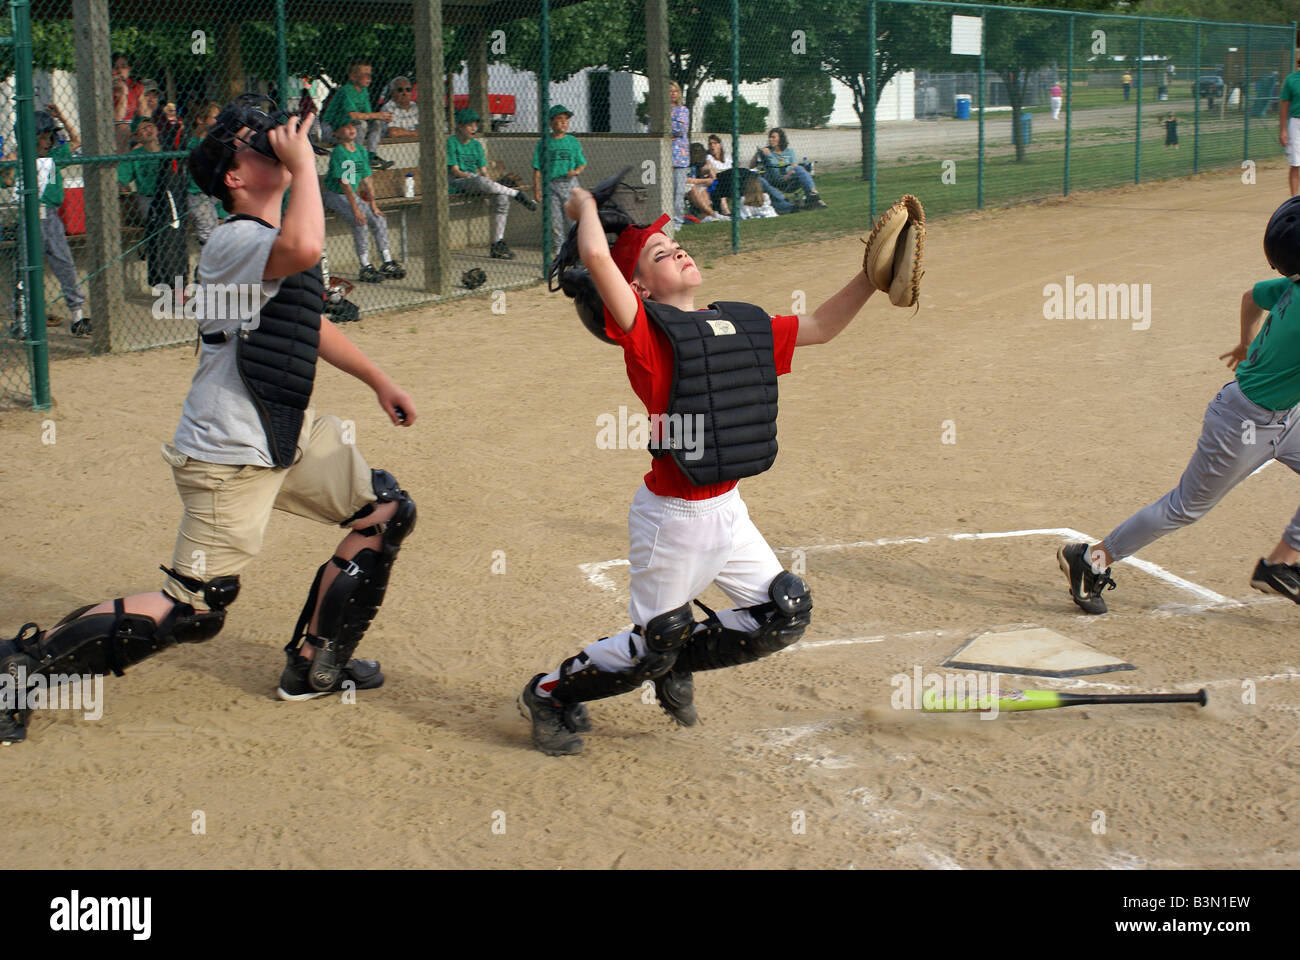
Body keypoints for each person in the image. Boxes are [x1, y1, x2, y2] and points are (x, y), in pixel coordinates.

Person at [0, 97, 419, 745]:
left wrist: (378, 378)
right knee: (192, 607)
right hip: (230, 449)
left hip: (282, 429)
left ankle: (314, 667)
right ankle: (18, 669)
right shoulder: (231, 240)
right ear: (234, 177)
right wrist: (305, 167)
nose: (276, 148)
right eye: (258, 145)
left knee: (384, 510)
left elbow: (307, 318)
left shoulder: (270, 239)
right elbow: (306, 244)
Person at [517, 184, 888, 756]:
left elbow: (820, 325)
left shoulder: (739, 324)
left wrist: (871, 278)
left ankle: (673, 666)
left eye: (675, 246)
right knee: (655, 639)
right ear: (638, 286)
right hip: (673, 519)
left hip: (728, 512)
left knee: (780, 613)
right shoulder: (645, 335)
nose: (678, 253)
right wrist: (585, 207)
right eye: (659, 255)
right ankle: (550, 693)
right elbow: (595, 258)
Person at [1058, 196, 1300, 616]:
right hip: (1242, 422)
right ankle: (1091, 560)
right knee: (1183, 508)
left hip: (1287, 416)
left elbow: (1250, 297)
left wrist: (1245, 344)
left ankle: (1279, 564)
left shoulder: (1292, 284)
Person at [3, 107, 88, 336]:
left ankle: (78, 316)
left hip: (51, 217)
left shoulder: (52, 159)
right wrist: (13, 157)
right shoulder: (18, 159)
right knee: (26, 269)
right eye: (44, 136)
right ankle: (22, 320)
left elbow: (76, 141)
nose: (49, 141)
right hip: (28, 218)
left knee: (65, 264)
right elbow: (8, 180)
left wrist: (61, 116)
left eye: (50, 136)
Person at [320, 118, 405, 283]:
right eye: (344, 126)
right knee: (361, 221)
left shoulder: (360, 150)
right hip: (335, 194)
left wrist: (374, 206)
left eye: (352, 126)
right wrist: (356, 210)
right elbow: (344, 184)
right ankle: (365, 266)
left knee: (378, 218)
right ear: (336, 133)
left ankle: (387, 261)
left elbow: (367, 179)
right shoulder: (339, 152)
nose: (350, 129)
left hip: (353, 195)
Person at [447, 107, 537, 261]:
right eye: (469, 125)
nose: (474, 129)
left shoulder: (476, 145)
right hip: (458, 182)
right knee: (481, 180)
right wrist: (474, 177)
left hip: (477, 182)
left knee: (501, 197)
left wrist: (489, 184)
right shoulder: (452, 142)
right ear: (460, 126)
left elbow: (484, 172)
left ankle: (497, 243)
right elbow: (455, 171)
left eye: (475, 125)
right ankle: (516, 193)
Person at [532, 104, 587, 255]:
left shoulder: (572, 141)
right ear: (551, 122)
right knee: (555, 221)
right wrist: (536, 189)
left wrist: (575, 171)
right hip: (552, 185)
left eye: (566, 119)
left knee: (573, 220)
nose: (563, 122)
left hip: (570, 184)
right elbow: (537, 167)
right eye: (559, 119)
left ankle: (577, 251)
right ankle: (560, 252)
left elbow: (582, 163)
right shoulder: (544, 143)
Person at [320, 60, 394, 169]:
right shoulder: (346, 90)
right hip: (332, 129)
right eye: (365, 74)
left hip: (349, 128)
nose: (369, 77)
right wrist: (377, 115)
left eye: (370, 74)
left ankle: (371, 156)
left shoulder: (364, 91)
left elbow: (368, 114)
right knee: (360, 124)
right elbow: (353, 115)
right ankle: (356, 157)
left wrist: (381, 117)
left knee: (375, 123)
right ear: (353, 77)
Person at [753, 128, 827, 209]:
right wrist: (758, 154)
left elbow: (794, 166)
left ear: (780, 139)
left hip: (790, 180)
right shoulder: (766, 151)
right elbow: (751, 166)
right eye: (770, 137)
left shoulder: (789, 151)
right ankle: (814, 199)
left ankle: (813, 197)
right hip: (775, 181)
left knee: (799, 168)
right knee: (799, 169)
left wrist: (788, 175)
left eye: (773, 137)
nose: (770, 139)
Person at [185, 101, 226, 245]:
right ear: (201, 120)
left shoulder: (216, 141)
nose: (218, 120)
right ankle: (208, 261)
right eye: (214, 117)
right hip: (198, 193)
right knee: (209, 232)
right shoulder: (194, 143)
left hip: (212, 192)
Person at [117, 116, 163, 224]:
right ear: (137, 137)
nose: (148, 130)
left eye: (150, 126)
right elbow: (121, 176)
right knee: (154, 225)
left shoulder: (168, 149)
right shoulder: (135, 156)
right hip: (148, 197)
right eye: (143, 129)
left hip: (168, 194)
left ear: (156, 129)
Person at [370, 76, 419, 149]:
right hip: (395, 147)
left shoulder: (415, 107)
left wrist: (406, 133)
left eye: (408, 89)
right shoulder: (389, 108)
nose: (404, 93)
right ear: (392, 92)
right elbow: (393, 133)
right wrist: (416, 133)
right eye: (400, 90)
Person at [683, 142, 727, 222]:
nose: (698, 156)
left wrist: (710, 169)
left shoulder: (698, 163)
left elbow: (712, 176)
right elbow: (685, 179)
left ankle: (706, 216)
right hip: (685, 186)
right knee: (694, 188)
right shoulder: (685, 163)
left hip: (697, 185)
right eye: (695, 153)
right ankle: (713, 214)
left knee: (703, 189)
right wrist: (704, 180)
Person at [111, 52, 144, 153]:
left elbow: (143, 114)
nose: (120, 71)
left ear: (129, 69)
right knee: (123, 129)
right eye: (116, 67)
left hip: (133, 128)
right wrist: (123, 93)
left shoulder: (135, 86)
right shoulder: (107, 88)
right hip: (114, 129)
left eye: (123, 67)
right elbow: (117, 119)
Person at [669, 81, 690, 229]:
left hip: (679, 158)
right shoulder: (659, 112)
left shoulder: (682, 110)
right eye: (670, 91)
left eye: (675, 91)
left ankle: (677, 221)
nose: (673, 94)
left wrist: (666, 126)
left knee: (678, 192)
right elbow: (652, 128)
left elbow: (681, 129)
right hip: (663, 156)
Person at [1280, 56, 1300, 196]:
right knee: (1295, 163)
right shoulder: (1291, 79)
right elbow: (1284, 105)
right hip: (1295, 123)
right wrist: (1282, 130)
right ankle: (1294, 200)